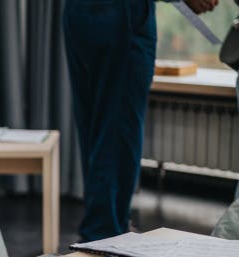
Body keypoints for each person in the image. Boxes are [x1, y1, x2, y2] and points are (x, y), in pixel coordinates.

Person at [63, 0, 218, 242]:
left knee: (96, 130)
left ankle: (105, 231)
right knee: (117, 132)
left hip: (80, 12)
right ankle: (105, 238)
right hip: (122, 13)